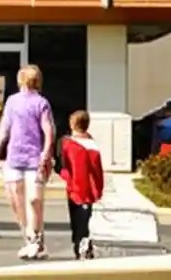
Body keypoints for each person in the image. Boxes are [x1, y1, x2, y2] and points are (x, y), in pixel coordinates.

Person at [0, 64, 54, 260]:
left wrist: (46, 152)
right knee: (15, 200)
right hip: (14, 157)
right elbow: (4, 128)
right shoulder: (12, 102)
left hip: (34, 158)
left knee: (34, 199)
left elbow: (48, 130)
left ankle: (36, 238)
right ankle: (30, 237)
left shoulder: (41, 103)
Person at [59, 109, 104, 260]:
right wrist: (99, 188)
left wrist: (63, 177)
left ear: (72, 125)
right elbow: (98, 170)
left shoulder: (68, 144)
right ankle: (83, 243)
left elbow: (64, 166)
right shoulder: (93, 145)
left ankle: (78, 244)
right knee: (86, 219)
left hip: (74, 189)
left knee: (76, 219)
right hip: (89, 191)